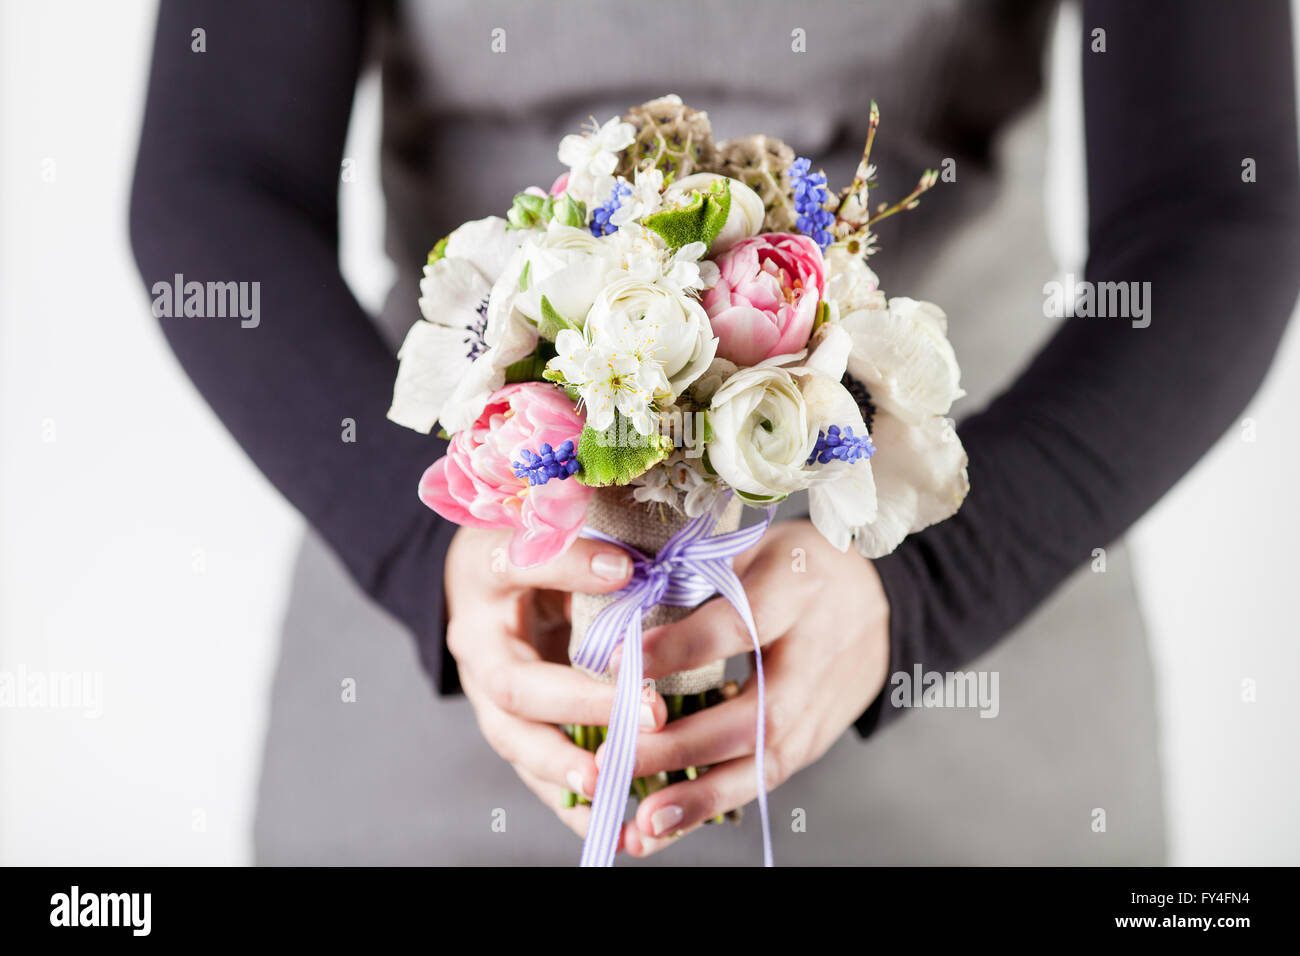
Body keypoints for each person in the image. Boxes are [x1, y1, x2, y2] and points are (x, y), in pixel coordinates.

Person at [130, 0, 1300, 863]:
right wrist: (424, 548)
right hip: (473, 661)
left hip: (975, 647)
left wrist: (934, 583)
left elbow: (1218, 204)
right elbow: (215, 176)